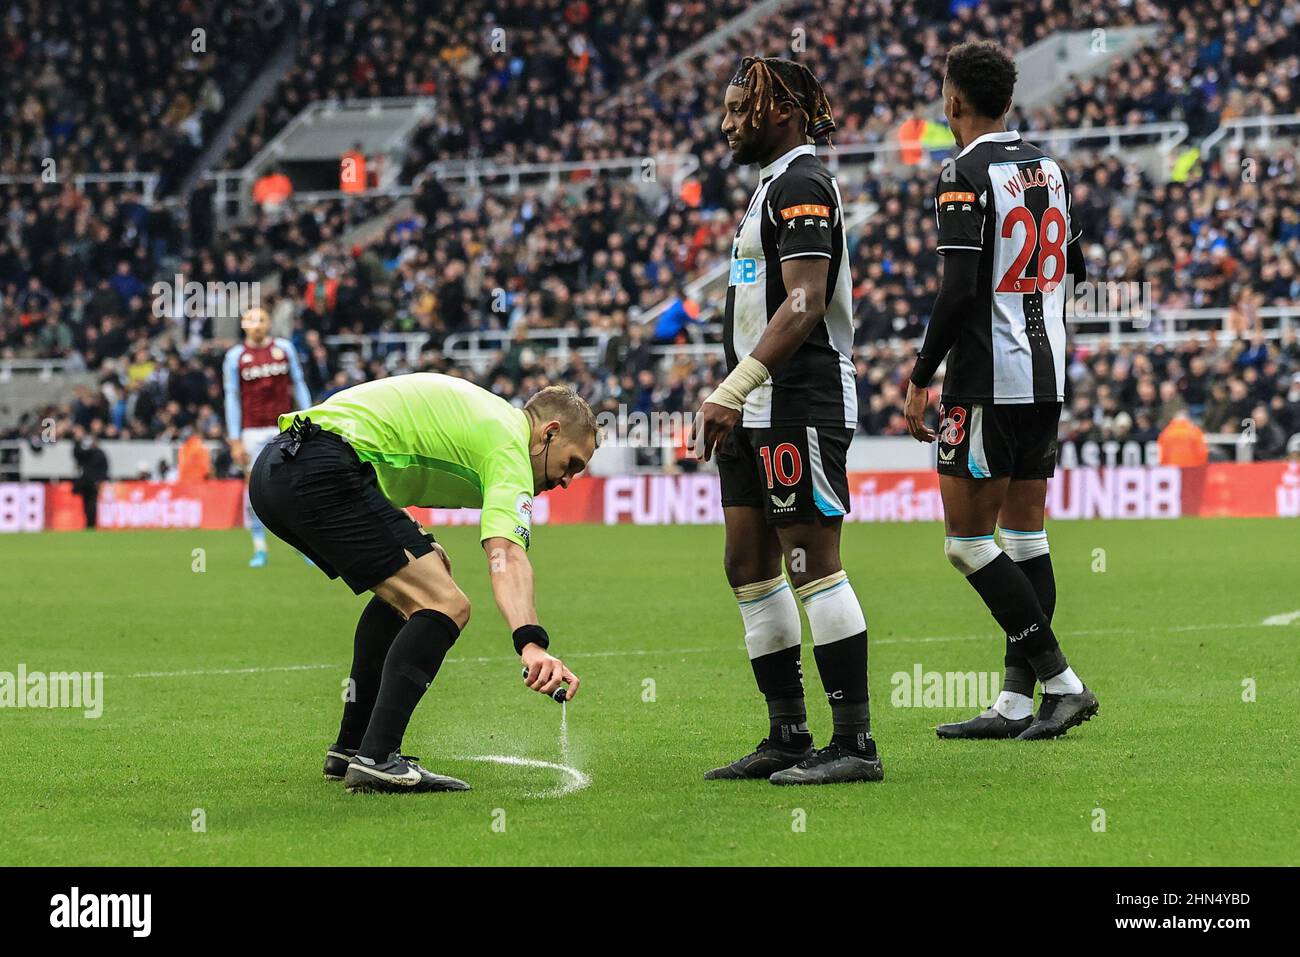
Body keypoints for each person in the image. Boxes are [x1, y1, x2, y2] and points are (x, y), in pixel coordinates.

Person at [248, 374, 597, 793]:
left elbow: (381, 441)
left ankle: (352, 747)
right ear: (549, 432)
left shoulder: (489, 418)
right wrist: (531, 642)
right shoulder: (510, 445)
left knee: (426, 573)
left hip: (279, 468)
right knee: (446, 604)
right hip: (321, 468)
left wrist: (418, 538)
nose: (567, 481)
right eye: (571, 463)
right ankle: (378, 758)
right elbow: (505, 554)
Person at [692, 56, 881, 785]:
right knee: (748, 562)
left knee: (810, 562)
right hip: (754, 401)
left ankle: (855, 742)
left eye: (741, 107)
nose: (727, 120)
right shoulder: (770, 188)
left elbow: (804, 301)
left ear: (782, 113)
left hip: (799, 397)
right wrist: (734, 389)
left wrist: (735, 385)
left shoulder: (802, 184)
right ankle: (788, 733)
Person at [903, 40, 1097, 741]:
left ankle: (1063, 682)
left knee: (966, 543)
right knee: (1023, 535)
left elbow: (957, 291)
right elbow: (1075, 262)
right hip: (1046, 374)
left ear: (953, 101)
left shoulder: (963, 172)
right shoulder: (1048, 166)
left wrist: (921, 374)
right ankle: (1017, 702)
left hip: (986, 379)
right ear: (1006, 100)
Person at [222, 306, 311, 567]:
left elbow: (299, 383)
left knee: (295, 484)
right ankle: (259, 547)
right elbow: (231, 396)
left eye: (261, 319)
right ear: (243, 325)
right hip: (252, 430)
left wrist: (308, 417)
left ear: (269, 323)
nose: (257, 324)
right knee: (253, 488)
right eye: (251, 320)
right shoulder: (235, 356)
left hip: (284, 425)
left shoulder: (284, 349)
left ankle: (304, 544)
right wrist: (234, 437)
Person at [71, 427, 109, 530]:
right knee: (87, 504)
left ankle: (91, 524)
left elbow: (104, 469)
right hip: (87, 483)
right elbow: (76, 454)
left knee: (91, 504)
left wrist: (101, 481)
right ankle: (89, 524)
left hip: (92, 483)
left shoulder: (97, 453)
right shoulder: (91, 453)